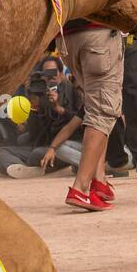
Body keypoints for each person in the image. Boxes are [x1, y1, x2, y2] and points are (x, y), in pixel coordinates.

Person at [50, 23, 125, 212]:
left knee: (95, 107)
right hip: (98, 35)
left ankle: (99, 180)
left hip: (66, 38)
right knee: (102, 111)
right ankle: (80, 188)